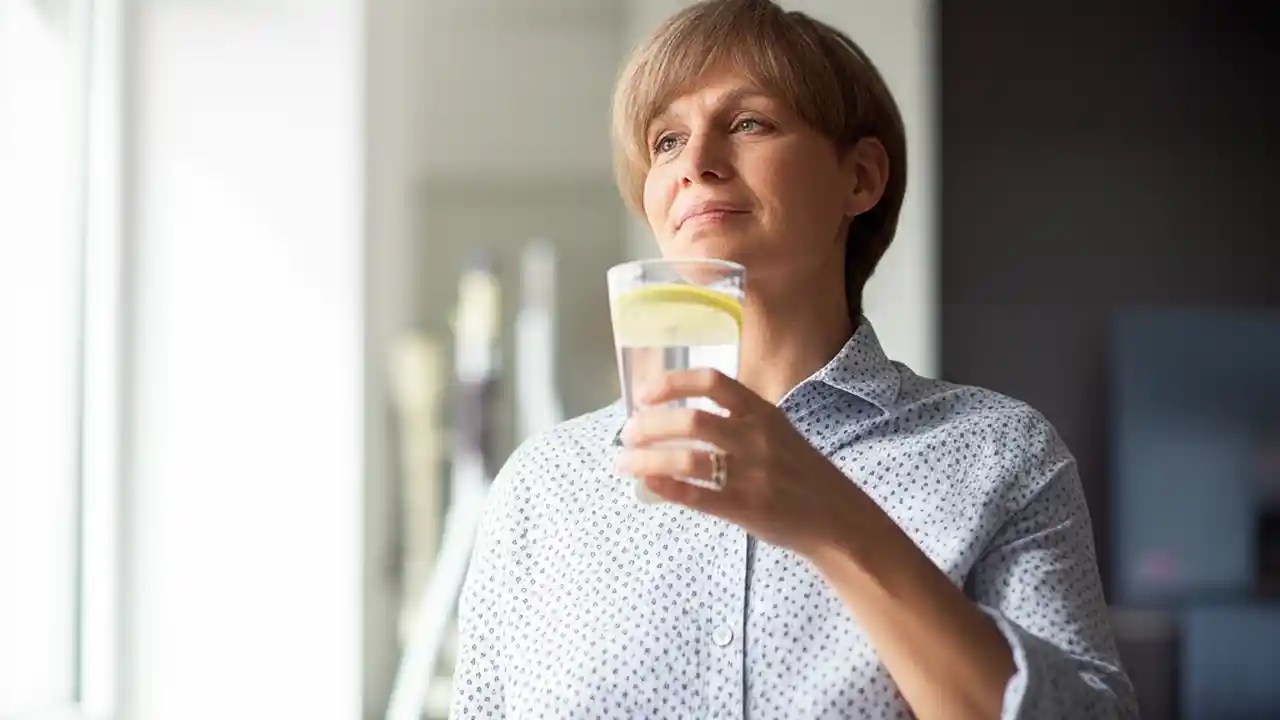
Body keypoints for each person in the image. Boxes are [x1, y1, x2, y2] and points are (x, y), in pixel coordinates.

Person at [450, 0, 1137, 717]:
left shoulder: (999, 456)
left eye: (748, 123)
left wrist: (831, 517)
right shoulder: (544, 486)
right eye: (665, 142)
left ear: (860, 179)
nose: (696, 165)